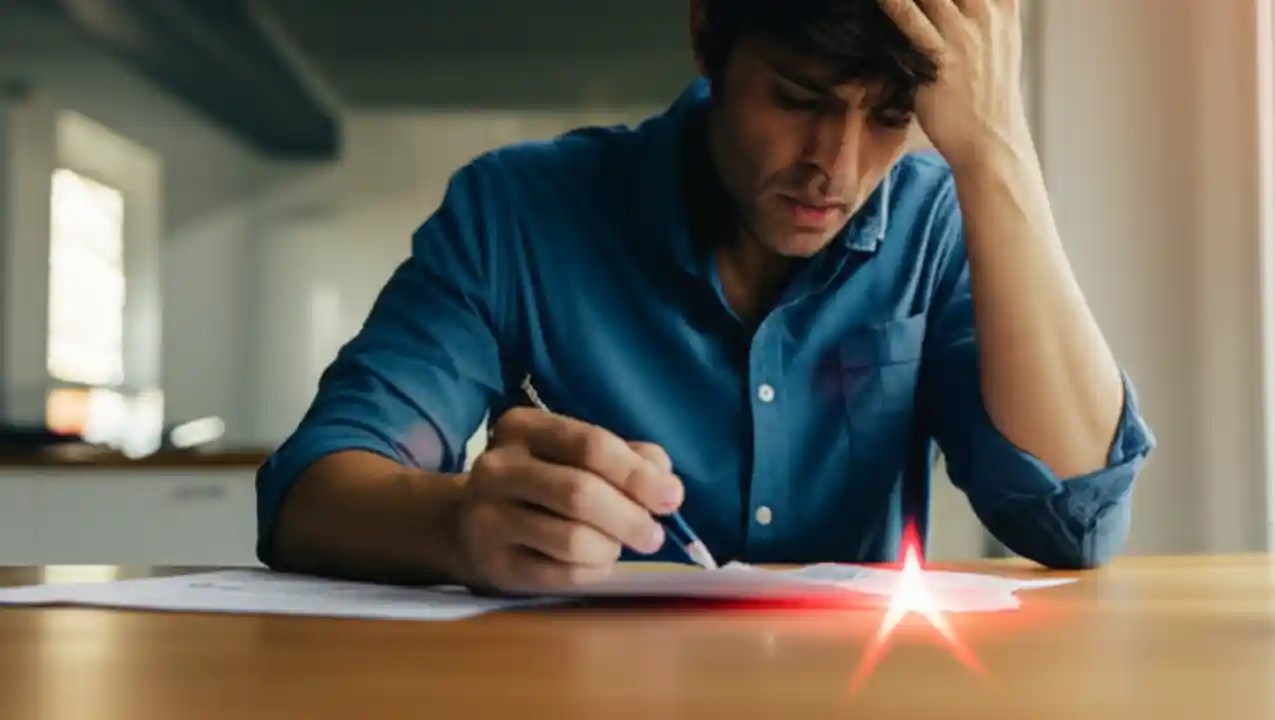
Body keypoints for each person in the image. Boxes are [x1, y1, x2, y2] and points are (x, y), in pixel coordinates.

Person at [255, 0, 1156, 593]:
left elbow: (1073, 519)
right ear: (708, 37)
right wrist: (460, 524)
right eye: (799, 97)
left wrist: (997, 152)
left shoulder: (936, 228)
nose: (834, 171)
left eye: (890, 118)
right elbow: (313, 493)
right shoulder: (518, 214)